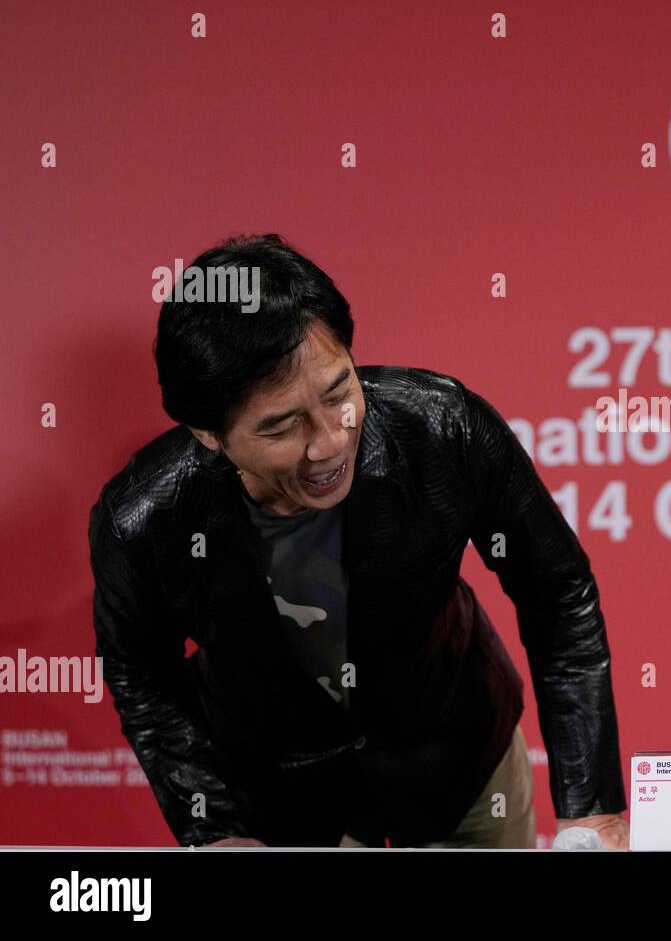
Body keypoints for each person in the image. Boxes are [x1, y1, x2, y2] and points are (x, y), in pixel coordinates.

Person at [89, 234, 628, 848]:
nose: (329, 443)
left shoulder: (445, 427)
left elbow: (557, 593)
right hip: (288, 798)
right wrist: (214, 829)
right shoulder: (140, 521)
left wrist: (593, 808)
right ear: (208, 433)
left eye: (339, 393)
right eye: (281, 426)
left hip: (461, 765)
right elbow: (144, 677)